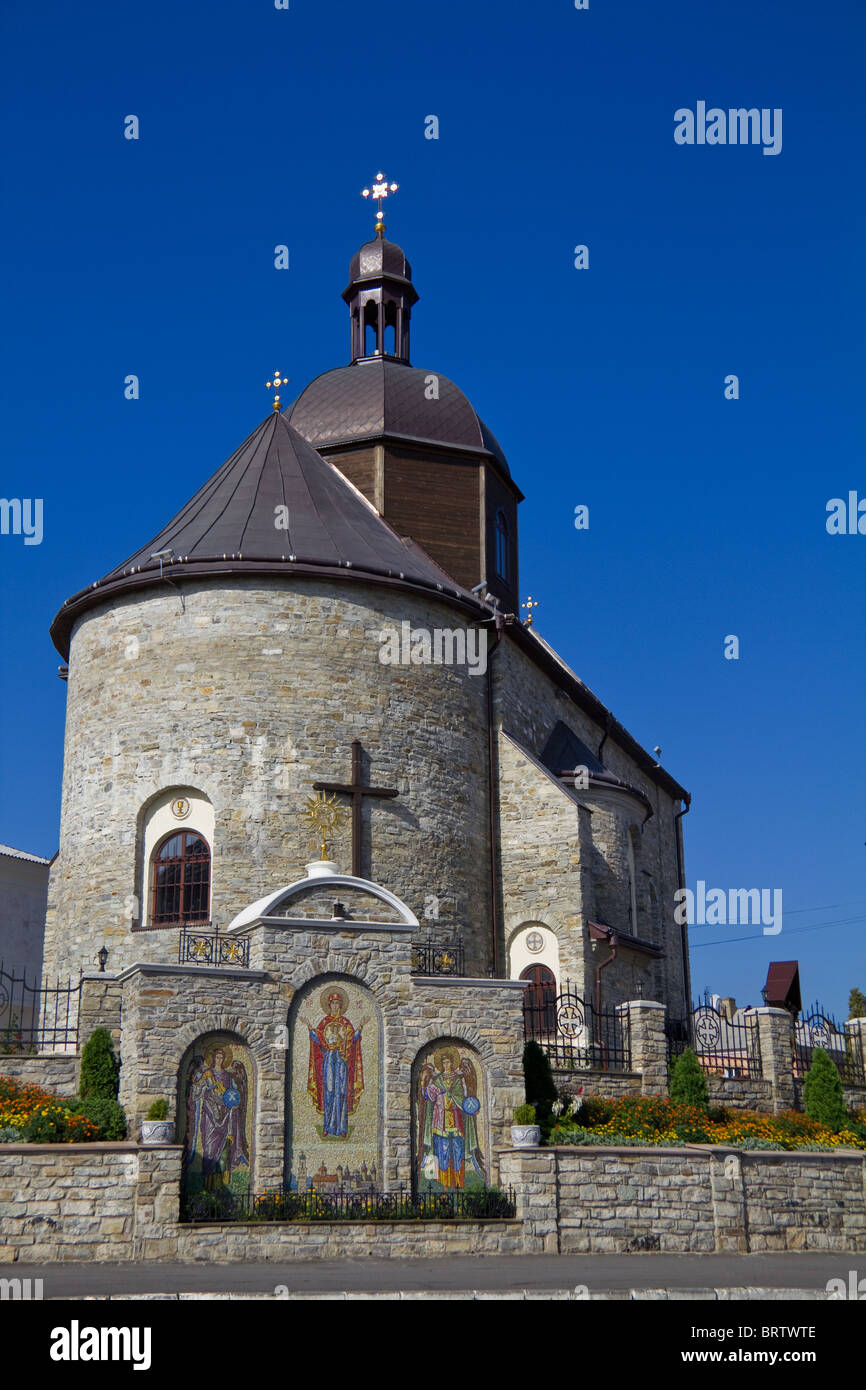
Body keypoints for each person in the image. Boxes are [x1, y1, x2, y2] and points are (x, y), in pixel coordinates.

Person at [417, 1046, 484, 1189]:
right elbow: (428, 1096)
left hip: (455, 1118)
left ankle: (458, 1182)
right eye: (444, 1062)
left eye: (448, 1062)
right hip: (439, 1120)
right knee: (441, 1150)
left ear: (452, 1063)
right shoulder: (437, 1080)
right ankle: (441, 1183)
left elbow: (463, 1098)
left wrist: (459, 1102)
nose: (446, 1065)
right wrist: (423, 1083)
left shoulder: (458, 1080)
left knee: (457, 1149)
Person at [304, 989, 366, 1138]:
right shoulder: (324, 1022)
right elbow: (318, 1038)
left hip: (342, 1061)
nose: (335, 1006)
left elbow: (352, 1040)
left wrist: (361, 1026)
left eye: (338, 1003)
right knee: (330, 1091)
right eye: (333, 1003)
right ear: (329, 1005)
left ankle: (342, 1128)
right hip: (328, 1061)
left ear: (341, 1005)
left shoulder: (346, 1023)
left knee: (342, 1092)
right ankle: (328, 1127)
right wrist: (309, 1026)